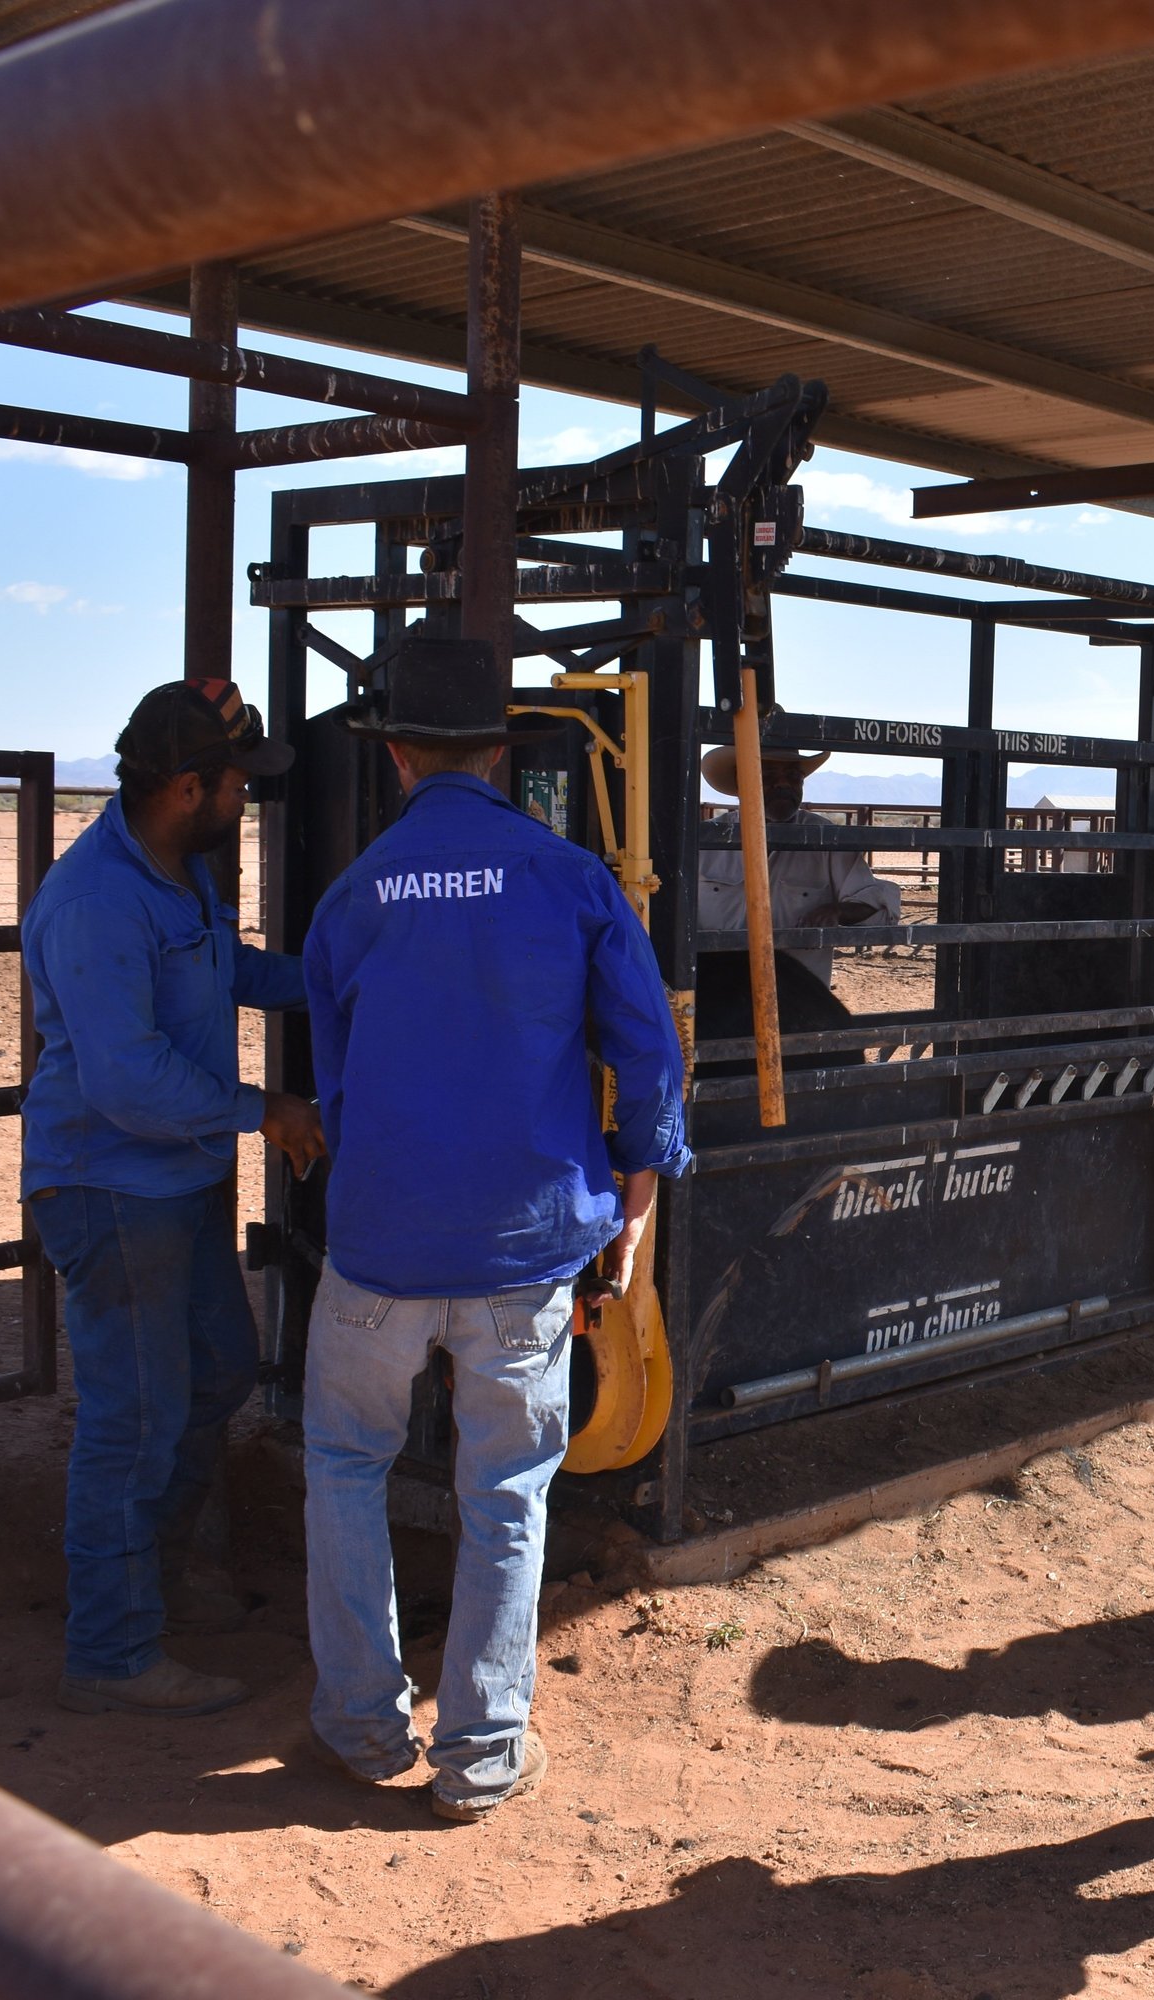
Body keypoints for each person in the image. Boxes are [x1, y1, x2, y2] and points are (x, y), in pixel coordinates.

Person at [300, 633, 690, 1824]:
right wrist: (640, 1173)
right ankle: (480, 1752)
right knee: (508, 1488)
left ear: (401, 755)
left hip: (378, 1243)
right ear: (499, 750)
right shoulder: (571, 878)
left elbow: (337, 1081)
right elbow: (646, 1047)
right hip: (524, 1245)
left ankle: (365, 1725)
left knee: (343, 1464)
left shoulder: (354, 894)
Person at [23, 677, 323, 1719]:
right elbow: (126, 1078)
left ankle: (142, 1581)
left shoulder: (178, 871)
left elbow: (219, 971)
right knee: (133, 1412)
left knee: (219, 1370)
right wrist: (266, 1106)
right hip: (113, 1184)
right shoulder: (98, 901)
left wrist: (323, 974)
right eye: (239, 780)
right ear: (189, 786)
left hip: (177, 1174)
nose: (248, 796)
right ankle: (110, 1645)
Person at [695, 743, 902, 989]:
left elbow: (881, 907)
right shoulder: (707, 841)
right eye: (768, 776)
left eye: (794, 776)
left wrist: (838, 910)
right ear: (740, 782)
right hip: (716, 993)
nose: (783, 784)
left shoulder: (825, 840)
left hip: (797, 998)